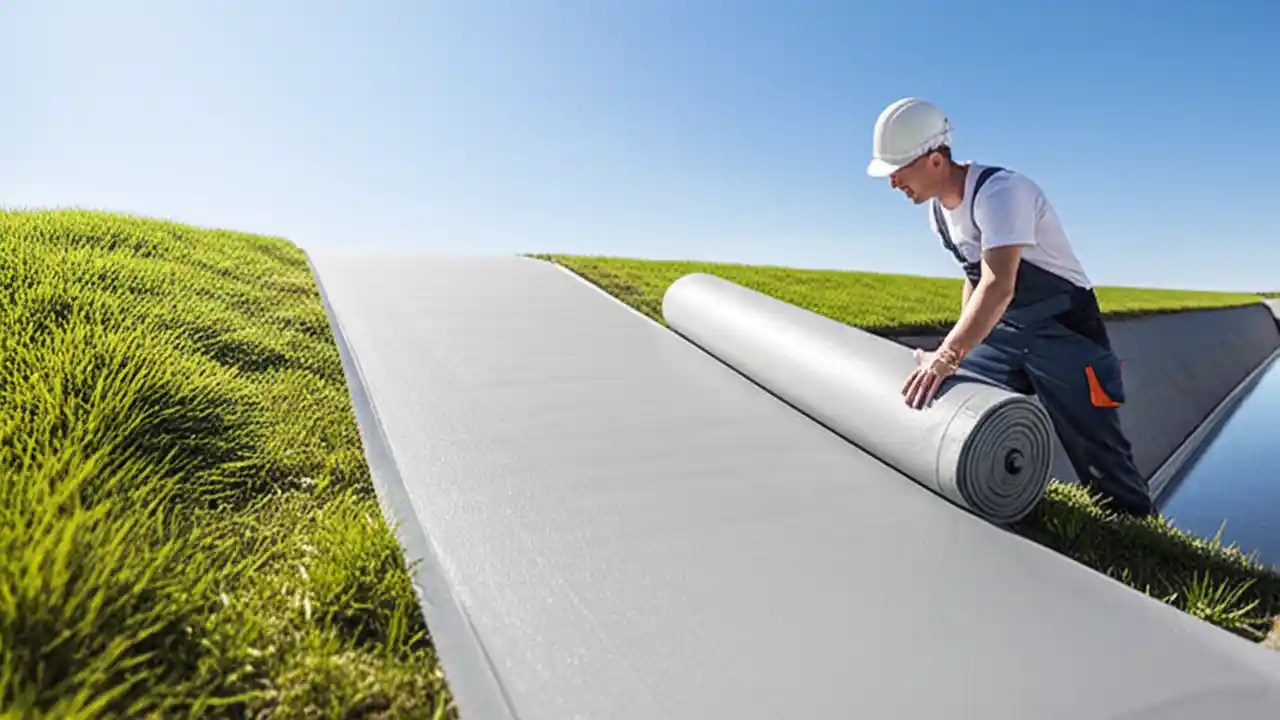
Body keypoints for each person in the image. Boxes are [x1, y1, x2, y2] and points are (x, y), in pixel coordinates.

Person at [865, 97, 1156, 517]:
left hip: (1065, 334)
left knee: (1099, 454)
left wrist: (946, 356)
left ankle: (1138, 534)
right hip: (1003, 332)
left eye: (898, 169)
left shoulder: (1001, 192)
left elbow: (1000, 283)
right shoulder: (938, 214)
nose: (893, 182)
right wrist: (953, 353)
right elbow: (976, 281)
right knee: (952, 398)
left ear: (934, 160)